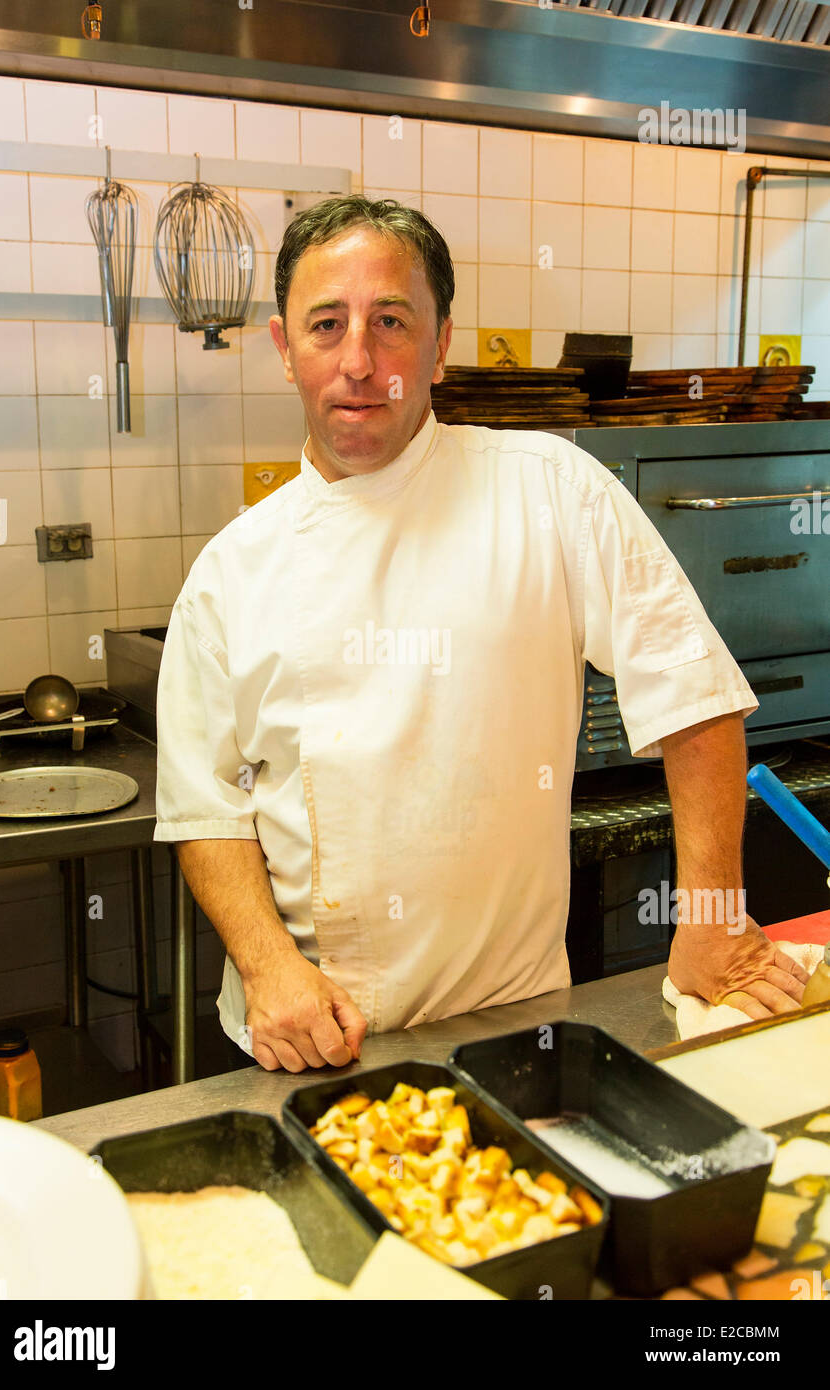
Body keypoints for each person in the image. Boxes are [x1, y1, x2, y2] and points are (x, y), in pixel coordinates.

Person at [154, 195, 808, 1074]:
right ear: (283, 349)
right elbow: (207, 808)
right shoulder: (229, 574)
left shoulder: (549, 493)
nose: (359, 361)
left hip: (516, 1025)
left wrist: (714, 915)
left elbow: (694, 697)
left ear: (441, 343)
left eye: (391, 321)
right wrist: (268, 969)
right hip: (304, 1040)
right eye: (325, 325)